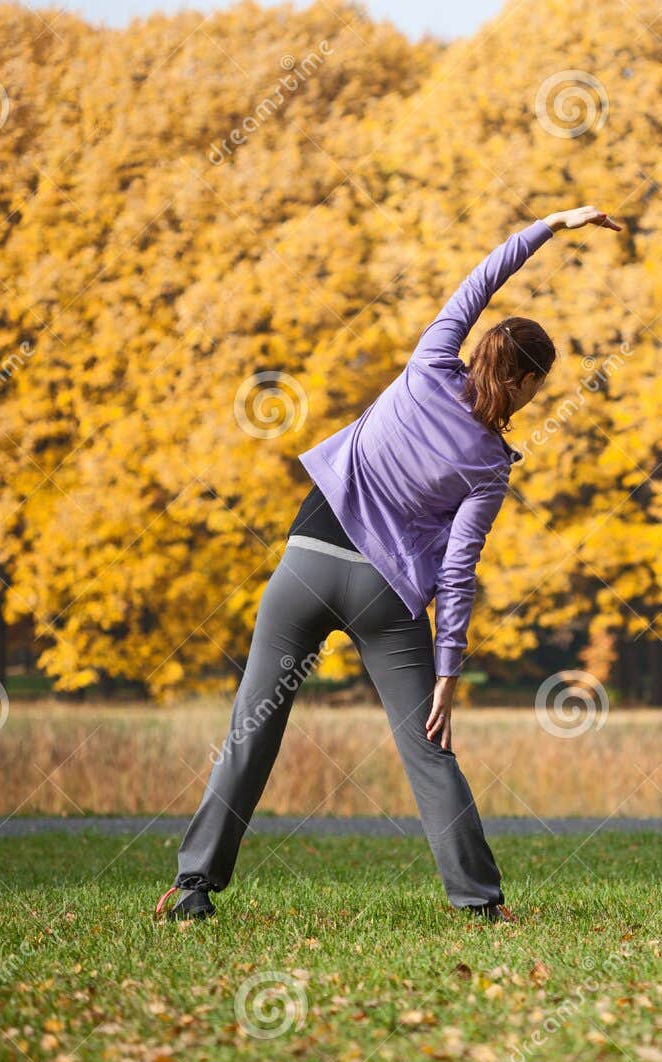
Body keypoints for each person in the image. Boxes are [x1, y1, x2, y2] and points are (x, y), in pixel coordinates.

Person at [158, 205, 621, 923]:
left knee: (252, 726)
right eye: (539, 385)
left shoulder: (431, 359)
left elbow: (481, 279)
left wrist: (551, 225)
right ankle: (479, 902)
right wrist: (447, 673)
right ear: (525, 381)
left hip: (306, 562)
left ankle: (193, 888)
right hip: (384, 591)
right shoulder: (490, 464)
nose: (537, 397)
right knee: (430, 749)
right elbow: (459, 572)